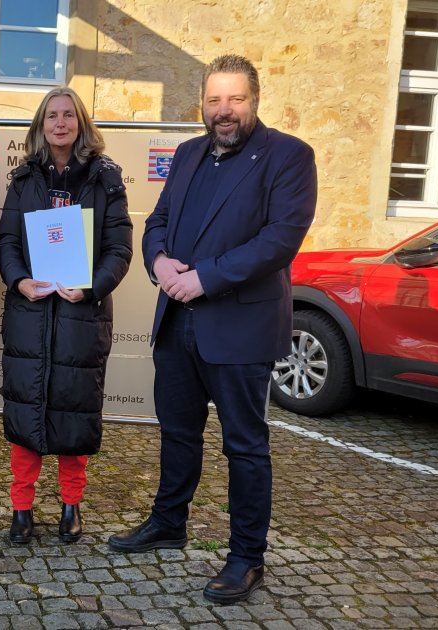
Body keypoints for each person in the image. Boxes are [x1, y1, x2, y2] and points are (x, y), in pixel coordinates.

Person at [107, 54, 317, 605]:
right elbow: (156, 223)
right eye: (214, 100)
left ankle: (247, 557)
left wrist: (204, 278)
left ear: (255, 100)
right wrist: (159, 264)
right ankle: (169, 522)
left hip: (239, 327)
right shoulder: (187, 154)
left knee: (245, 447)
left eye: (235, 100)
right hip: (178, 322)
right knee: (177, 433)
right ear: (202, 104)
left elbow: (280, 240)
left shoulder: (288, 157)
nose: (224, 111)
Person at [0, 87, 133, 545]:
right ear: (40, 124)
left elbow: (119, 249)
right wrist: (18, 281)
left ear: (81, 122)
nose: (59, 123)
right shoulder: (24, 179)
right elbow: (8, 243)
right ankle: (21, 509)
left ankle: (72, 506)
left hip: (81, 313)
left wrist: (92, 286)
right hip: (31, 311)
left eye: (68, 115)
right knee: (25, 408)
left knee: (76, 410)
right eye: (51, 115)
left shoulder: (105, 179)